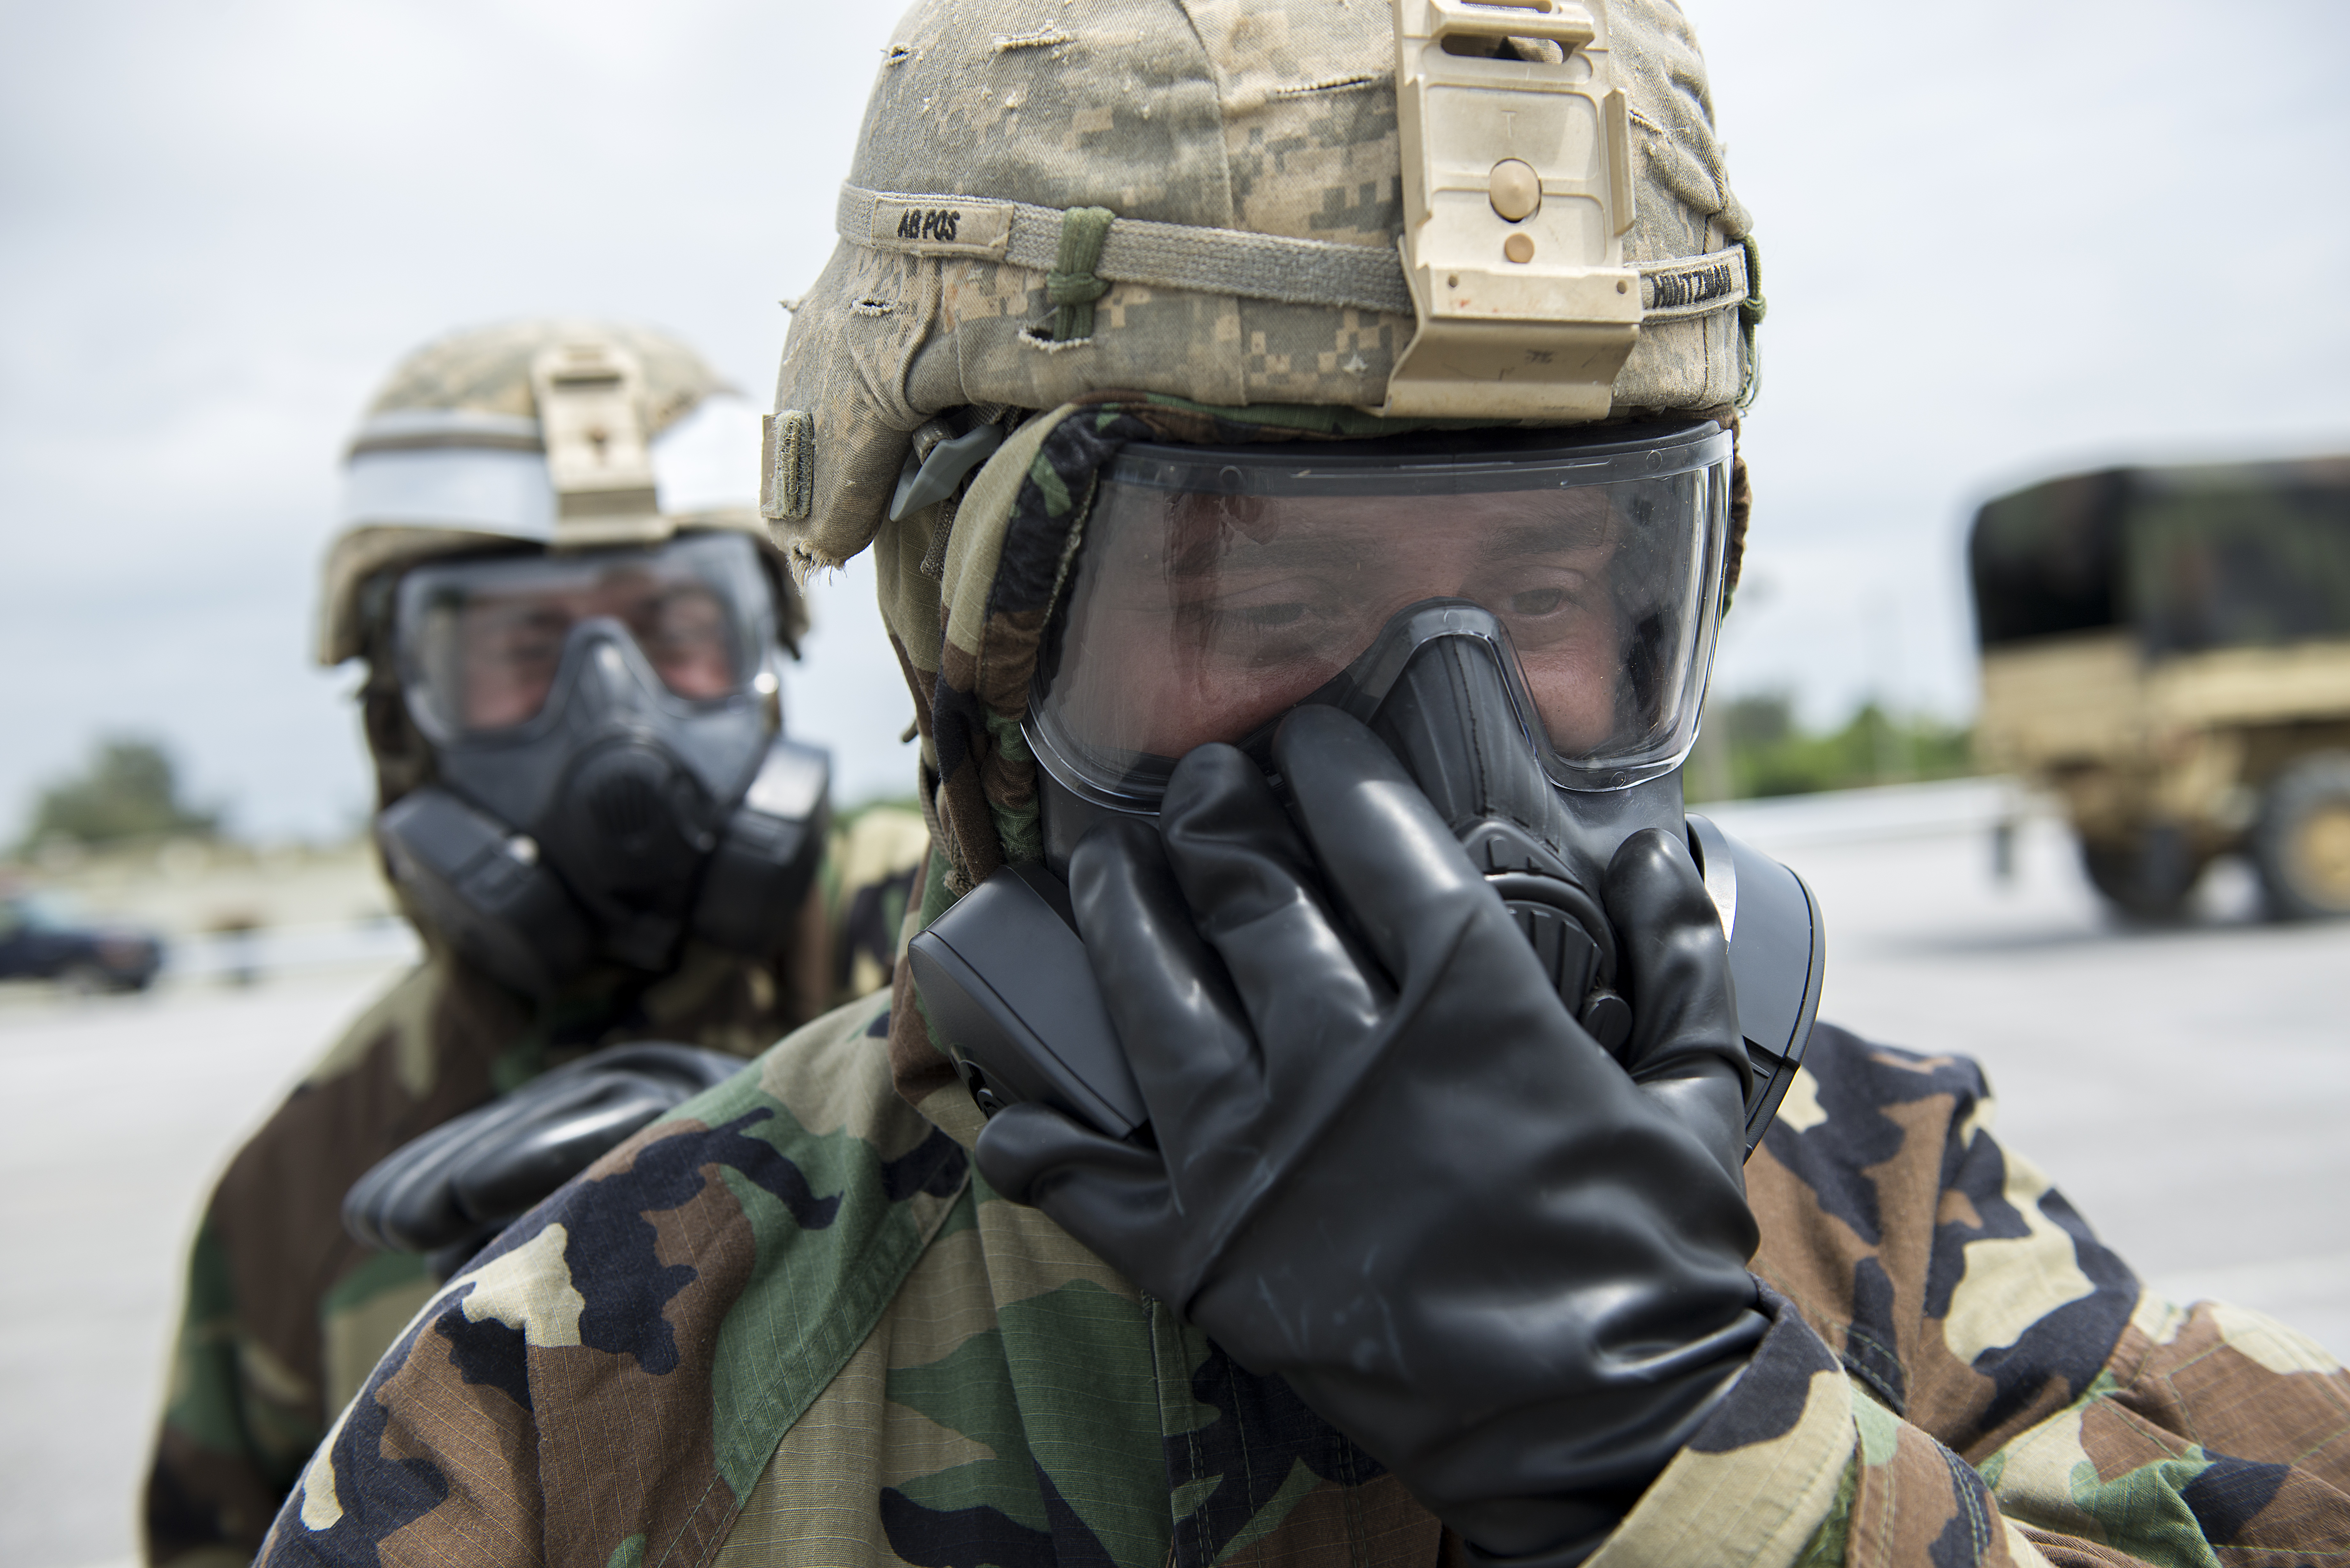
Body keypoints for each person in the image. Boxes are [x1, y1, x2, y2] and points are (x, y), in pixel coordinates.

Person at [259, 8, 2350, 1566]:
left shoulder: (1891, 1197)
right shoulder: (582, 1391)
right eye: (1269, 584)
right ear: (984, 635)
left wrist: (1704, 1454)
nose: (1453, 751)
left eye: (1548, 585)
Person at [144, 319, 928, 1566]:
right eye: (521, 647)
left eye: (675, 627)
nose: (611, 710)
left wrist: (804, 1154)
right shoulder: (302, 1189)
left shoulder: (970, 968)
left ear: (766, 657)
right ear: (399, 713)